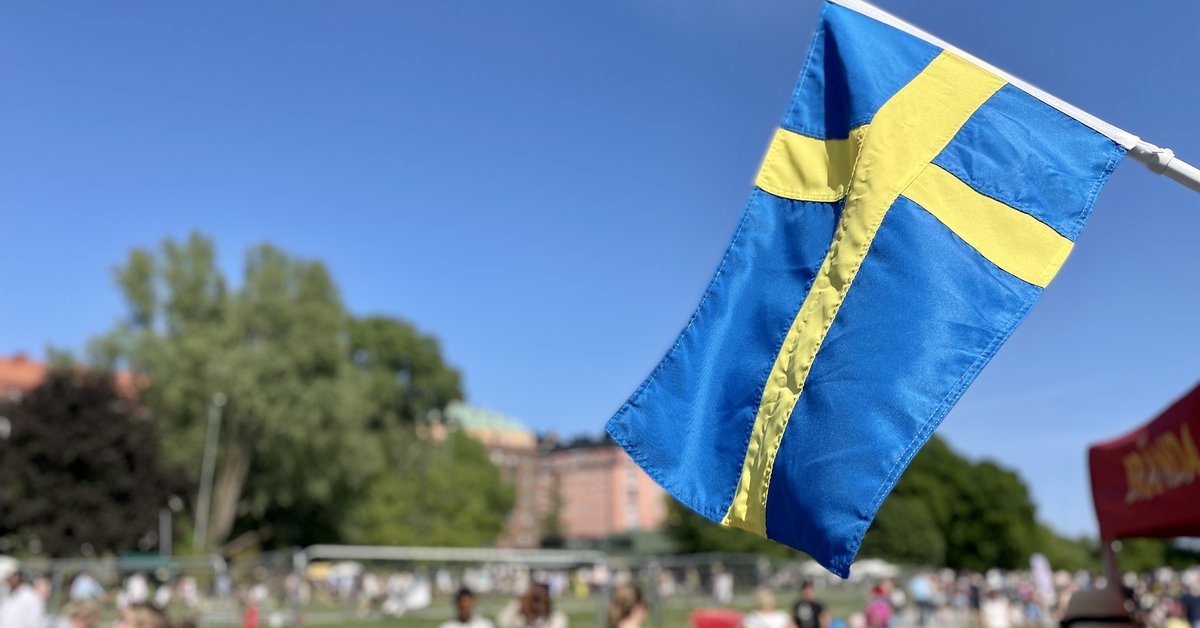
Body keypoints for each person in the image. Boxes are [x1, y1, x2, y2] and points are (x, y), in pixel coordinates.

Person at [496, 582, 567, 628]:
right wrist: (519, 603)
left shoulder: (555, 618)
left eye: (543, 601)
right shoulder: (519, 617)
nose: (538, 605)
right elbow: (503, 622)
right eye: (535, 600)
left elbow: (559, 623)